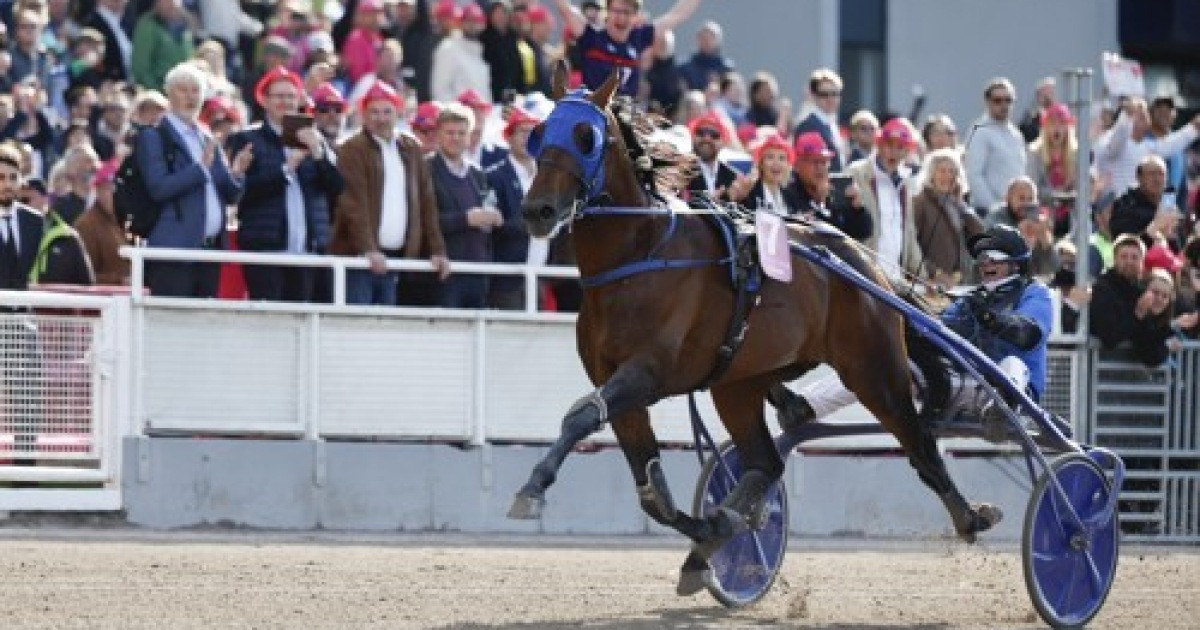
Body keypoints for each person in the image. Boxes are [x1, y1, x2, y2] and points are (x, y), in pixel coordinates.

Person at [768, 224, 1053, 443]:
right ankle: (803, 406)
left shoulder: (1034, 293)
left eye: (993, 257)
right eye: (981, 258)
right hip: (960, 387)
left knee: (1013, 365)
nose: (984, 263)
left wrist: (990, 317)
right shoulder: (970, 299)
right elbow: (940, 334)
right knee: (874, 367)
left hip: (1012, 393)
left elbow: (1028, 334)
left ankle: (1001, 415)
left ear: (1016, 264)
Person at [226, 67, 344, 303]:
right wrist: (286, 168)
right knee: (270, 323)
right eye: (279, 96)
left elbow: (336, 187)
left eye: (291, 96)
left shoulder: (314, 137)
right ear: (264, 100)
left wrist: (319, 153)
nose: (286, 102)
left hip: (308, 250)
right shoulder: (247, 139)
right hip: (266, 248)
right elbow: (243, 194)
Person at [329, 80, 449, 306]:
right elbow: (354, 204)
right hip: (358, 259)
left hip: (397, 258)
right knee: (357, 329)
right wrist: (369, 250)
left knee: (386, 329)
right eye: (374, 111)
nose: (381, 118)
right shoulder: (352, 148)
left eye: (387, 111)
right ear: (363, 114)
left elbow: (426, 202)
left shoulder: (411, 147)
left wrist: (438, 250)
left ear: (398, 112)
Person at [138, 62, 252, 298]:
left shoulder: (207, 137)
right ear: (168, 94)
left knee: (201, 325)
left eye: (195, 91)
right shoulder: (154, 136)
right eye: (183, 90)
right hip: (173, 251)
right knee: (173, 325)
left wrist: (238, 172)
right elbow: (158, 188)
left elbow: (230, 195)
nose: (190, 97)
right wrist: (199, 171)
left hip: (209, 252)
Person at [428, 102, 500, 308]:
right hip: (444, 272)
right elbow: (425, 221)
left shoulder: (477, 174)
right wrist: (466, 219)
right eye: (450, 133)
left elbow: (489, 205)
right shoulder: (427, 170)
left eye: (462, 133)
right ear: (438, 135)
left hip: (479, 272)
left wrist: (494, 217)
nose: (456, 138)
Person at [552, 0, 702, 98]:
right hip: (591, 110)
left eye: (627, 13)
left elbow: (677, 15)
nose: (622, 18)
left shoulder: (639, 38)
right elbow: (565, 8)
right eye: (617, 11)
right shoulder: (591, 36)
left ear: (636, 17)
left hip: (626, 115)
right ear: (607, 13)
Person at [845, 117, 922, 277]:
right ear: (879, 145)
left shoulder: (906, 183)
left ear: (907, 151)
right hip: (864, 275)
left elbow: (909, 232)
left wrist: (922, 275)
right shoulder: (857, 172)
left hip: (895, 279)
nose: (893, 152)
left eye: (900, 147)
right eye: (889, 145)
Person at [1089, 233, 1175, 367]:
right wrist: (1137, 314)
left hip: (1131, 377)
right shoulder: (1102, 289)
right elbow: (1109, 337)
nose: (1129, 261)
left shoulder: (1141, 292)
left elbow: (1150, 353)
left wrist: (1166, 339)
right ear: (1115, 259)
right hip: (1100, 370)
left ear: (1142, 262)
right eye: (1124, 257)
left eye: (1135, 257)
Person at [485, 105, 541, 309]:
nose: (528, 138)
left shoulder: (548, 175)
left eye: (533, 133)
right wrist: (536, 225)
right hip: (508, 277)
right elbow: (493, 224)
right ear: (508, 137)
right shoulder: (493, 176)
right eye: (522, 132)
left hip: (543, 276)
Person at [911, 147, 984, 288]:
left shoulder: (958, 204)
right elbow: (911, 245)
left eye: (952, 171)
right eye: (942, 171)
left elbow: (979, 234)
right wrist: (935, 273)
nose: (947, 176)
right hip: (930, 283)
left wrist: (961, 205)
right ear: (931, 174)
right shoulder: (920, 202)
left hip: (958, 282)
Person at [785, 131, 871, 240]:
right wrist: (820, 205)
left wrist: (858, 209)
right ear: (797, 165)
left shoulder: (835, 191)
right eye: (815, 162)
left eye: (824, 162)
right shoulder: (787, 195)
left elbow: (862, 234)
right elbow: (813, 238)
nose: (820, 168)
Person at [964, 77, 1026, 216]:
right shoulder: (980, 130)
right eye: (998, 100)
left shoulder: (1016, 134)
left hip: (1015, 211)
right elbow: (974, 175)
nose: (1004, 105)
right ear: (987, 102)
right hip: (988, 213)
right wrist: (994, 208)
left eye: (1008, 100)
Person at [983, 177, 1057, 277]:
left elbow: (1050, 269)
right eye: (1021, 198)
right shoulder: (995, 218)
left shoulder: (1038, 221)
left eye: (1030, 199)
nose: (1026, 203)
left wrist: (1045, 241)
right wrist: (1019, 234)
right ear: (1008, 199)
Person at [73, 157, 129, 285]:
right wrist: (120, 280)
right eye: (110, 188)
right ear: (98, 191)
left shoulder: (125, 222)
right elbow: (83, 277)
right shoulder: (86, 225)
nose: (116, 194)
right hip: (106, 301)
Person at [0, 144, 44, 291]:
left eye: (13, 178)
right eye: (1, 178)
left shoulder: (35, 221)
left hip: (23, 309)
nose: (7, 184)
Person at [130, 0, 195, 92]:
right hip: (160, 95)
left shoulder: (184, 26)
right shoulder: (148, 26)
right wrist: (158, 91)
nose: (172, 4)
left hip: (184, 91)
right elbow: (140, 69)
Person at [794, 68, 846, 172]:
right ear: (813, 96)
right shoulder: (808, 125)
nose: (830, 98)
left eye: (835, 93)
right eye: (824, 94)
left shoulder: (832, 125)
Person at [730, 131, 794, 214]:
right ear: (761, 164)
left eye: (781, 158)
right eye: (770, 157)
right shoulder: (749, 192)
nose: (776, 163)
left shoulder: (790, 194)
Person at [1109, 155, 1169, 241]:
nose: (1157, 179)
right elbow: (1125, 245)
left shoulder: (1169, 206)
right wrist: (1154, 228)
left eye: (1161, 174)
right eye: (1152, 174)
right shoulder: (1125, 206)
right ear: (1139, 177)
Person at [684, 111, 737, 201]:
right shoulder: (680, 169)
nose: (707, 138)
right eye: (701, 133)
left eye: (714, 135)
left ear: (723, 142)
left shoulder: (731, 176)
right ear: (692, 137)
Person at [678, 19, 734, 91]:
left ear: (718, 41)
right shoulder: (684, 68)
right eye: (704, 37)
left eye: (711, 37)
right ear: (697, 40)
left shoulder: (726, 68)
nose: (707, 41)